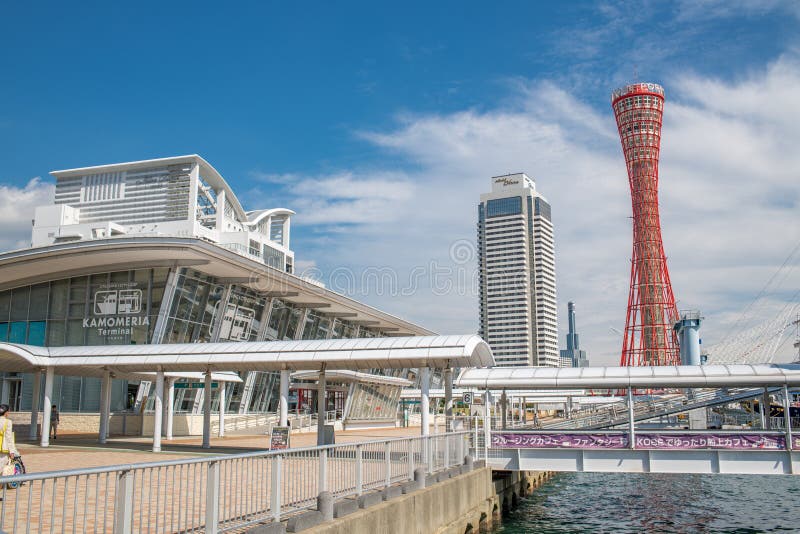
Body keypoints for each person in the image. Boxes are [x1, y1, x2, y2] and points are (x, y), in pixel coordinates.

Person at [0, 404, 19, 474]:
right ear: (6, 412)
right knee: (2, 470)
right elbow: (9, 438)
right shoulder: (8, 422)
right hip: (3, 449)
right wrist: (12, 451)